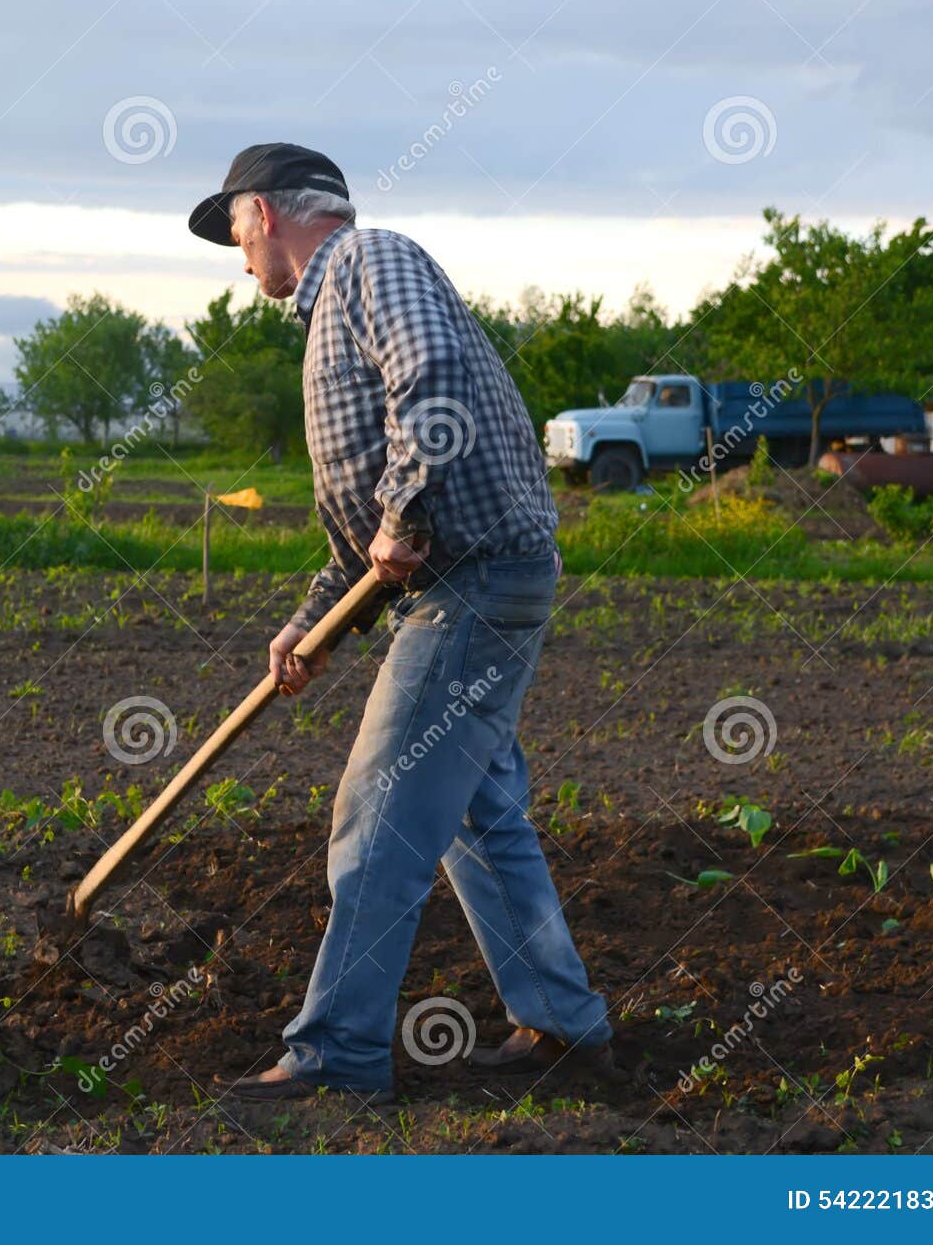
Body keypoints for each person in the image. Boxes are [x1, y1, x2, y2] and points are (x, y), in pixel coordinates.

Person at [188, 143, 618, 1102]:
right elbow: (362, 547)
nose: (236, 254)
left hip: (471, 582)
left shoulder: (371, 260)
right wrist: (309, 626)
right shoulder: (330, 313)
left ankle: (335, 1057)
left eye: (233, 231)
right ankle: (562, 1021)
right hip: (460, 579)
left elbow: (434, 385)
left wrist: (405, 515)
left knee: (377, 811)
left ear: (261, 212)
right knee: (479, 813)